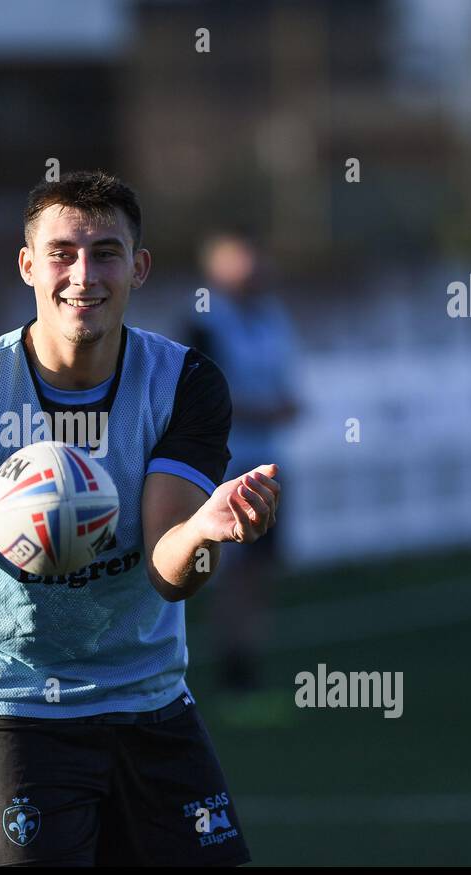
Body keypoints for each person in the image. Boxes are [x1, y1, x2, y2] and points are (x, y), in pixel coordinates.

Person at [0, 171, 279, 866]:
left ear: (139, 267)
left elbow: (171, 569)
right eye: (63, 252)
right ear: (28, 265)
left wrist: (204, 530)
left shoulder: (185, 382)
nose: (83, 274)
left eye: (105, 252)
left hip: (151, 700)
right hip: (14, 710)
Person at [185, 229, 301, 694]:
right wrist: (257, 408)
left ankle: (247, 661)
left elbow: (287, 382)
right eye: (238, 261)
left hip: (269, 460)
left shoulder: (273, 315)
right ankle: (229, 670)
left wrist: (284, 406)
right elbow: (197, 395)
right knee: (227, 570)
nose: (251, 270)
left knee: (260, 568)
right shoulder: (204, 321)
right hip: (226, 465)